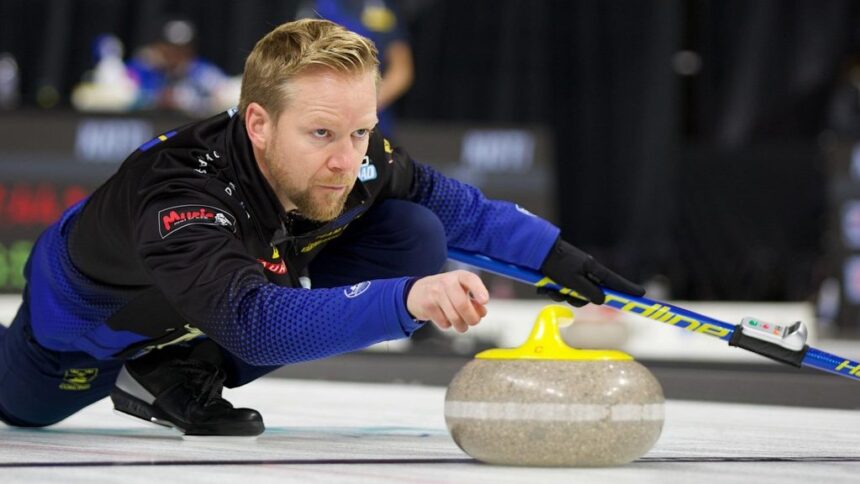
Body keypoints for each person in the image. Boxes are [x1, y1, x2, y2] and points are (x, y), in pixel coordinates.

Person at [0, 19, 643, 437]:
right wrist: (408, 300)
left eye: (361, 130)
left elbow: (457, 209)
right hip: (89, 333)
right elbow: (254, 320)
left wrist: (557, 258)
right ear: (257, 124)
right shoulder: (181, 194)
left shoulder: (357, 156)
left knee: (412, 232)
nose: (347, 158)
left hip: (208, 304)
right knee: (23, 411)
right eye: (322, 134)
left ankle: (182, 374)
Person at [297, 0, 414, 137]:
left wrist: (365, 105)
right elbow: (299, 64)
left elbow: (401, 70)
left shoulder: (382, 7)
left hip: (374, 126)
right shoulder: (316, 7)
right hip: (323, 120)